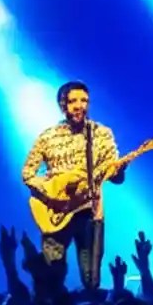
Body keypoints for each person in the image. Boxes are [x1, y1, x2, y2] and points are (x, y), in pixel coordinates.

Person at [21, 81, 124, 290]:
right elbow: (28, 173)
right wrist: (52, 192)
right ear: (62, 105)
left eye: (84, 100)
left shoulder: (101, 134)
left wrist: (119, 170)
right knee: (52, 274)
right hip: (56, 213)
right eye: (73, 101)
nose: (80, 105)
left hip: (90, 212)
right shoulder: (48, 137)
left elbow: (114, 174)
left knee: (91, 277)